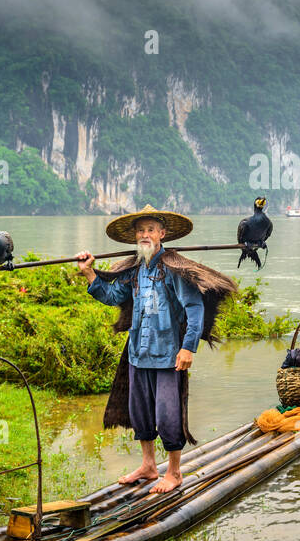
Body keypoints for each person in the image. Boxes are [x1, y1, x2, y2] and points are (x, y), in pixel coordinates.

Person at [75, 204, 235, 494]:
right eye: (140, 230)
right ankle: (149, 466)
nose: (145, 234)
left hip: (168, 355)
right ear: (135, 236)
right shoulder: (134, 270)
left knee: (167, 414)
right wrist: (89, 274)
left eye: (150, 230)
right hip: (138, 352)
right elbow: (113, 296)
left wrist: (188, 349)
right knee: (141, 413)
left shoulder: (174, 269)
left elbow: (194, 308)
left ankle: (174, 472)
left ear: (162, 234)